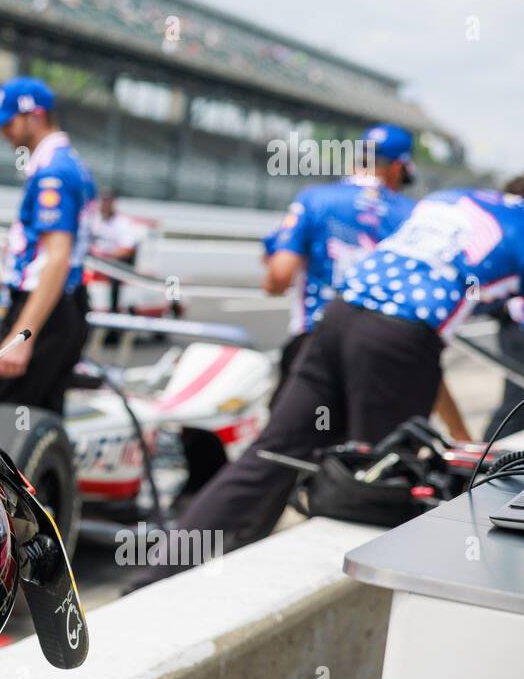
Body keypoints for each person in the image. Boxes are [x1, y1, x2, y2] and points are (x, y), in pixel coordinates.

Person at [130, 185, 524, 588]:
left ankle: (149, 579)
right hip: (402, 338)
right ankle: (350, 608)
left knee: (267, 457)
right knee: (382, 483)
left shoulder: (449, 198)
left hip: (340, 314)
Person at [0, 77, 92, 415]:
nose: (4, 132)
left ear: (35, 116)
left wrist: (21, 338)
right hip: (57, 309)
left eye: (9, 122)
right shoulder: (62, 163)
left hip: (44, 313)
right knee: (34, 420)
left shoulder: (53, 173)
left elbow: (57, 259)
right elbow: (46, 256)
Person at [261, 123, 416, 406]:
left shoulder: (315, 199)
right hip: (381, 349)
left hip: (315, 341)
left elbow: (279, 277)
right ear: (398, 167)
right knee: (369, 445)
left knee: (287, 441)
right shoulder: (412, 215)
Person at [484, 174, 524, 438]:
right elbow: (478, 288)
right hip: (515, 329)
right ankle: (485, 466)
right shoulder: (502, 237)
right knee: (517, 402)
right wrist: (509, 305)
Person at [89, 189, 141, 313]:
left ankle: (113, 309)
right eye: (103, 200)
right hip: (93, 259)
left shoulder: (122, 223)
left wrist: (107, 257)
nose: (105, 204)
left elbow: (127, 249)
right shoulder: (93, 219)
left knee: (115, 272)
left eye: (108, 201)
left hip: (112, 261)